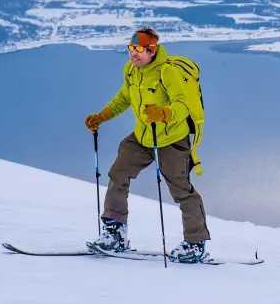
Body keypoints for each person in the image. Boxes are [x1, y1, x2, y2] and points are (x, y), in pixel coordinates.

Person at [83, 28, 211, 262]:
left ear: (151, 51)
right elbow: (124, 98)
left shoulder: (167, 72)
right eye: (131, 48)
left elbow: (182, 106)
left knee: (182, 190)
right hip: (143, 137)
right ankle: (115, 234)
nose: (133, 54)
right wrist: (102, 116)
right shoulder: (131, 70)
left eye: (139, 49)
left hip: (171, 139)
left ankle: (195, 244)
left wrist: (164, 113)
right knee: (118, 173)